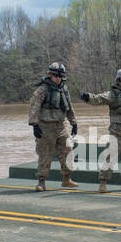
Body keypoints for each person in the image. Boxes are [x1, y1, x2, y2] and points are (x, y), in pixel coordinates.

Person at [27, 61, 79, 191]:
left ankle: (66, 179)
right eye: (56, 76)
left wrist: (74, 122)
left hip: (61, 126)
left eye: (60, 76)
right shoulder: (42, 89)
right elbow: (34, 107)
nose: (58, 78)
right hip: (45, 127)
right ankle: (41, 182)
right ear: (50, 75)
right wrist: (34, 125)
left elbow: (69, 106)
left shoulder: (64, 89)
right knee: (45, 154)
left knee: (68, 152)